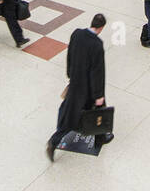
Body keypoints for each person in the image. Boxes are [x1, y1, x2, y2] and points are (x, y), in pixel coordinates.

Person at [46, 12, 108, 160]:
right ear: (101, 28)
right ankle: (55, 141)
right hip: (88, 89)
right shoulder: (97, 45)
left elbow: (69, 54)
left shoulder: (77, 34)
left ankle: (100, 137)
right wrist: (98, 95)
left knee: (70, 112)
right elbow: (97, 72)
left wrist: (70, 74)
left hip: (75, 83)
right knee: (95, 112)